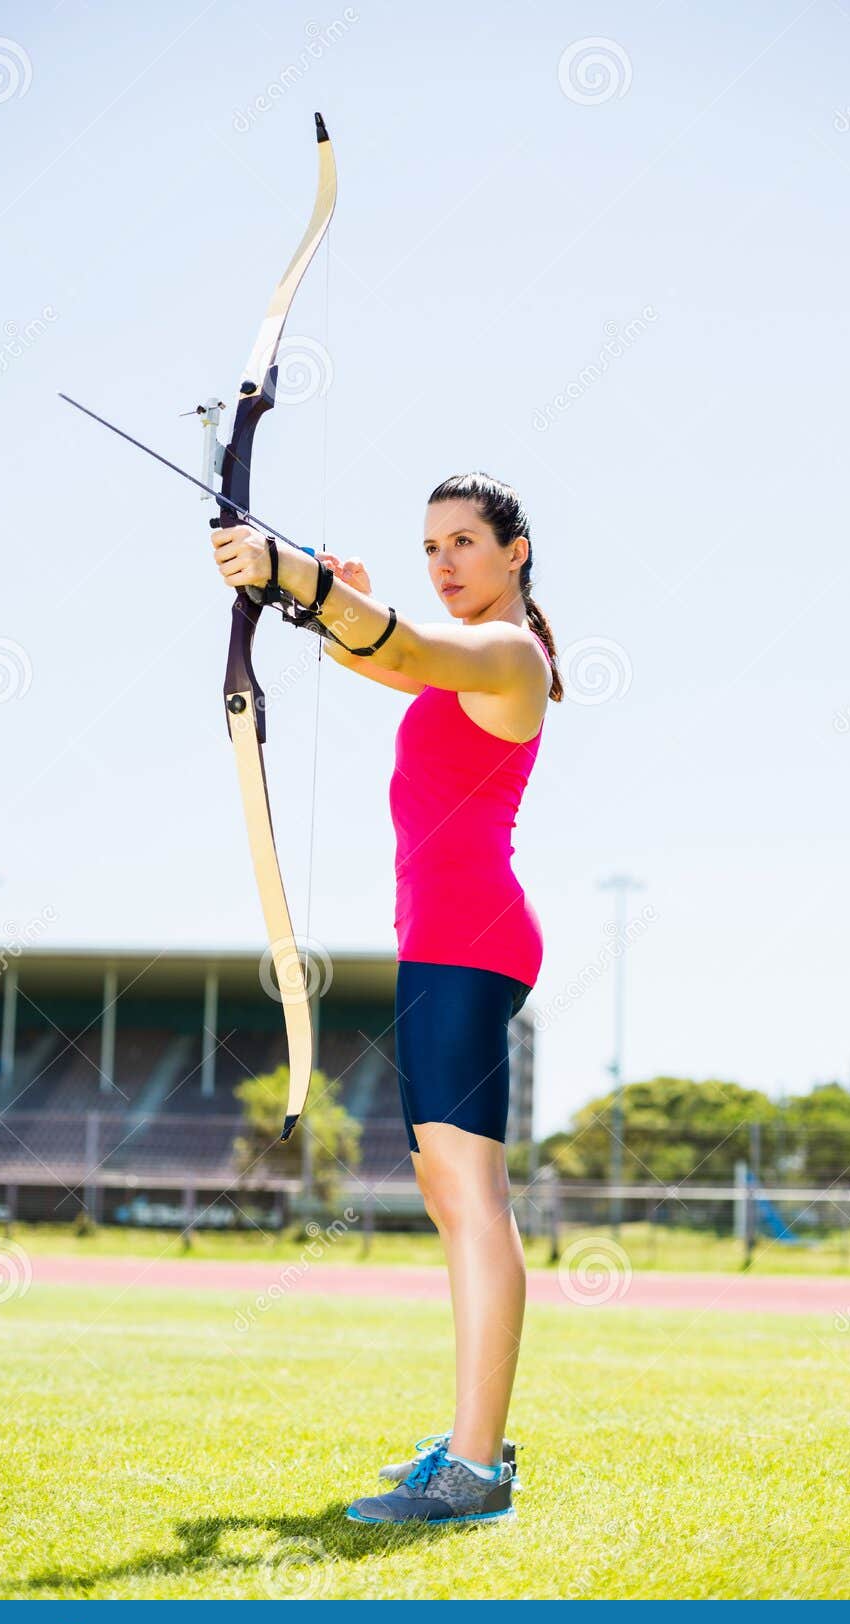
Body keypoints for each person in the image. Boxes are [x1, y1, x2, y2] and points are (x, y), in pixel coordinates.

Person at [211, 471, 562, 1526]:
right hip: (444, 947)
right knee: (452, 1198)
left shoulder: (508, 655)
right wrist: (317, 600)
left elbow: (400, 644)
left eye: (463, 542)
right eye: (430, 548)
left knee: (473, 1199)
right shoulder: (459, 664)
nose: (444, 562)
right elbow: (379, 653)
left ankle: (476, 1470)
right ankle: (471, 1445)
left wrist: (298, 577)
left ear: (514, 551)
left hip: (472, 943)